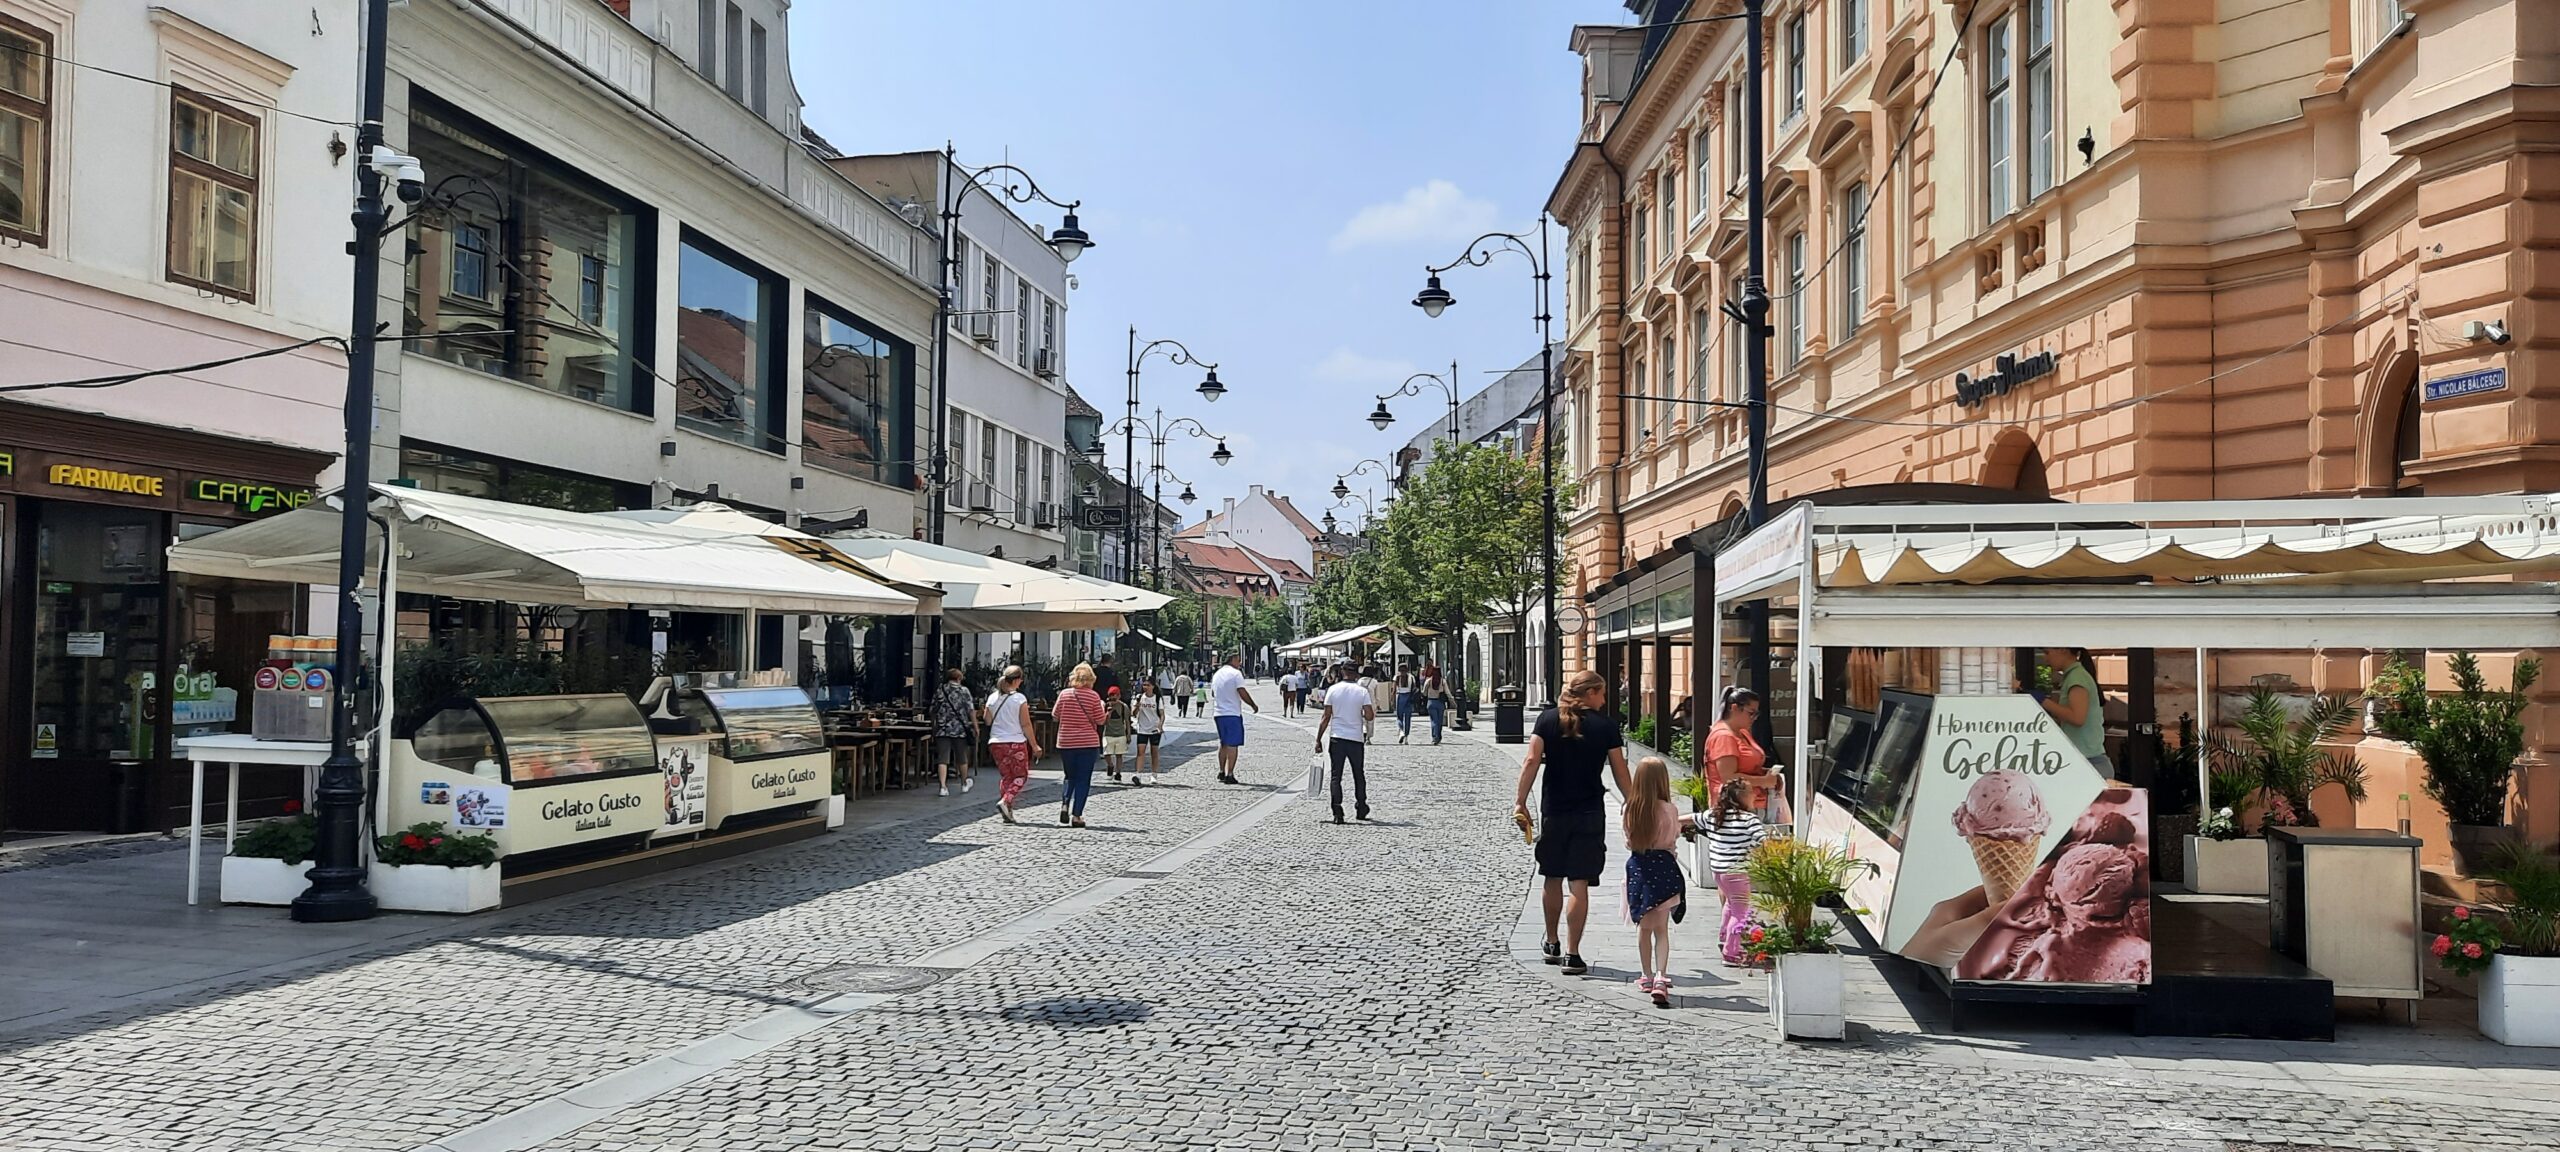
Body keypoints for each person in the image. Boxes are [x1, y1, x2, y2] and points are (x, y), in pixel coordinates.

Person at [1513, 669, 1632, 976]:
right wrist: (1633, 802)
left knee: (1551, 876)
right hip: (1590, 812)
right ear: (1589, 693)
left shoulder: (1547, 720)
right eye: (1602, 693)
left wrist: (1520, 800)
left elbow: (1530, 761)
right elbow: (1619, 771)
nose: (1605, 700)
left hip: (1554, 810)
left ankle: (1551, 942)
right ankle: (1572, 954)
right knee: (1579, 883)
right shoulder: (1606, 727)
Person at [1622, 755, 1687, 1007]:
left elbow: (1628, 841)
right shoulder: (1670, 810)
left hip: (1639, 868)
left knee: (1644, 927)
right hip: (1665, 868)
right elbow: (1672, 839)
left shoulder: (1630, 809)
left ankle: (1646, 975)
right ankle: (1661, 975)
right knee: (1662, 929)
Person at [1687, 777, 1770, 967]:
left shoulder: (1714, 815)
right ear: (1742, 797)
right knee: (1741, 913)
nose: (1756, 795)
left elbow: (1690, 818)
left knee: (1730, 906)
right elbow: (1764, 843)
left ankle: (1724, 937)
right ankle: (1731, 953)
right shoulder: (1750, 820)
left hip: (1719, 871)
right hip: (1737, 872)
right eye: (1752, 792)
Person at [1706, 686, 1790, 825]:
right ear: (1733, 708)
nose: (1754, 718)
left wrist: (1767, 774)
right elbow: (1728, 778)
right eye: (1751, 713)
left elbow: (1747, 767)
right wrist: (1764, 781)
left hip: (1750, 804)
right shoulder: (1724, 737)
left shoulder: (1741, 732)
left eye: (1756, 714)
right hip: (1735, 810)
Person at [1315, 662, 1377, 824]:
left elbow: (1326, 716)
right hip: (1355, 738)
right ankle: (1361, 806)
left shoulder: (1333, 690)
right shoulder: (1362, 691)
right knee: (1358, 774)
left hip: (1337, 737)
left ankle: (1337, 811)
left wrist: (1318, 738)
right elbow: (1369, 716)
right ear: (1357, 674)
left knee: (1336, 776)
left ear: (1342, 672)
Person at [2036, 647, 2111, 775]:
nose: (2045, 658)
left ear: (2063, 650)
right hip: (2086, 760)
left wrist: (2043, 701)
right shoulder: (2075, 676)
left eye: (2047, 652)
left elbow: (2077, 718)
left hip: (2089, 763)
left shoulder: (2077, 678)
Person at [983, 665, 1041, 824]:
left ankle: (1008, 811)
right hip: (1015, 742)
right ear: (1016, 680)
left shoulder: (992, 697)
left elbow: (987, 720)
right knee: (1021, 776)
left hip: (996, 742)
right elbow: (1026, 724)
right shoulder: (1019, 699)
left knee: (1007, 777)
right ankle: (1006, 800)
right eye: (1020, 679)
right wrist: (1034, 745)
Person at [1051, 664, 1106, 828]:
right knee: (1083, 779)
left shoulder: (1064, 694)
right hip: (1087, 743)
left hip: (1066, 742)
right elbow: (1100, 720)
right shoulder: (1094, 696)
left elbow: (1055, 715)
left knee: (1069, 776)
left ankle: (1065, 804)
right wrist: (1103, 709)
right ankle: (1077, 815)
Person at [931, 666, 979, 798]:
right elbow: (970, 710)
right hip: (959, 729)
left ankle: (943, 787)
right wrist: (975, 727)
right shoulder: (964, 691)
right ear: (959, 678)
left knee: (943, 759)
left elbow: (933, 709)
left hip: (942, 728)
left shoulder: (940, 690)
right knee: (961, 757)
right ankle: (964, 783)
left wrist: (933, 725)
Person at [1211, 651, 1258, 783]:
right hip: (1232, 713)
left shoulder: (1217, 674)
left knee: (1223, 743)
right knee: (1232, 744)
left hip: (1218, 713)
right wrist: (1252, 705)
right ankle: (1230, 774)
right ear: (1232, 659)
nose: (1240, 663)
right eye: (1238, 660)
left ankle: (1221, 771)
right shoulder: (1236, 674)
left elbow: (1213, 693)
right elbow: (1241, 691)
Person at [1131, 683, 1165, 782]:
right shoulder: (1139, 697)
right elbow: (1133, 713)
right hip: (1142, 728)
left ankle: (1154, 774)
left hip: (1154, 728)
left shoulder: (1157, 698)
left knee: (1154, 752)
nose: (1145, 687)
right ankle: (1138, 774)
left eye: (1148, 685)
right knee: (1140, 752)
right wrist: (1137, 705)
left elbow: (1162, 714)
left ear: (1153, 686)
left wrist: (1160, 725)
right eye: (1144, 685)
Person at [1101, 686, 1133, 782]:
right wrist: (1108, 713)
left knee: (1119, 755)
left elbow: (1127, 721)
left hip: (1120, 734)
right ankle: (1110, 765)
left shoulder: (1124, 707)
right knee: (1107, 753)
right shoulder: (1106, 706)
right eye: (1111, 697)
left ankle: (1118, 773)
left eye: (1114, 697)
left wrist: (1128, 734)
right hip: (1108, 733)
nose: (1113, 700)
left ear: (1119, 696)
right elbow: (1103, 721)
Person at [1420, 662, 1450, 745]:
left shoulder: (1428, 681)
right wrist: (1452, 702)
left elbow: (1424, 692)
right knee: (1439, 721)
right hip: (1440, 703)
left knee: (1433, 721)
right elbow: (1448, 693)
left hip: (1431, 702)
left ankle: (1434, 737)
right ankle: (1438, 736)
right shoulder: (1442, 681)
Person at [1362, 663, 1392, 744]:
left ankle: (1363, 730)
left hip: (1360, 703)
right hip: (1371, 703)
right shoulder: (1374, 682)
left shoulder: (1359, 681)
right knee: (1370, 721)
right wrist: (1378, 704)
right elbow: (1377, 695)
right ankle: (1368, 738)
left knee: (1362, 720)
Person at [1393, 662, 1417, 743]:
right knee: (1408, 718)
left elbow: (1394, 689)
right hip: (1409, 697)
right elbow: (1415, 688)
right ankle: (1406, 737)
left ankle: (1401, 731)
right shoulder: (1411, 677)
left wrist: (1392, 700)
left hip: (1400, 696)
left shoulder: (1396, 677)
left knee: (1399, 717)